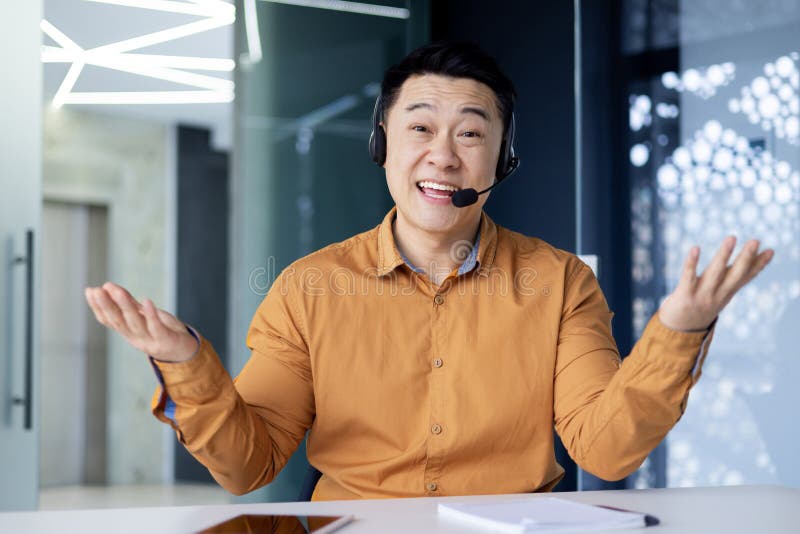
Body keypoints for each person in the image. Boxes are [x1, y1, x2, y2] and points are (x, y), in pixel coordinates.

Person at [84, 42, 774, 501]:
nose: (443, 156)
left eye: (471, 133)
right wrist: (186, 365)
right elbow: (248, 464)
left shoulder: (561, 283)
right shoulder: (307, 289)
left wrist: (680, 329)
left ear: (502, 160)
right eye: (419, 128)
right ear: (383, 145)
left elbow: (608, 447)